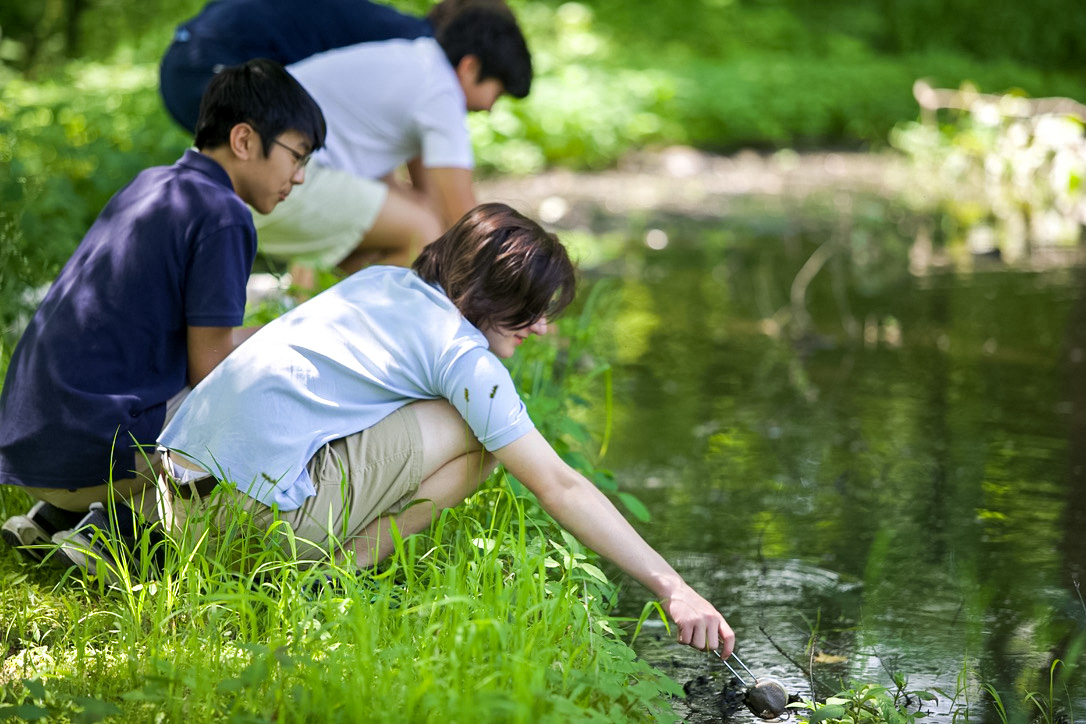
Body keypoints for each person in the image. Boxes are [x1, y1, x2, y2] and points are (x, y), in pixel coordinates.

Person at [154, 203, 735, 655]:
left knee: (465, 425)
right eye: (530, 309)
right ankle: (324, 578)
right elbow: (558, 484)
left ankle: (299, 568)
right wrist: (673, 589)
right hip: (249, 527)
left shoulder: (381, 284)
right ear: (492, 291)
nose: (539, 329)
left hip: (175, 509)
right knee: (485, 440)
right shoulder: (459, 352)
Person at [0, 59, 327, 569]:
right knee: (258, 394)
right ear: (244, 140)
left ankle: (52, 519)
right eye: (297, 155)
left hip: (32, 443)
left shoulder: (151, 185)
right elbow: (211, 370)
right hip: (92, 458)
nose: (300, 177)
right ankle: (118, 534)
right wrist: (286, 336)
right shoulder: (224, 214)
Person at [252, 6, 533, 278]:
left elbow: (432, 199)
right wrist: (511, 291)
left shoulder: (414, 61)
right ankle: (328, 308)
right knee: (423, 232)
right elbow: (463, 215)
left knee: (414, 222)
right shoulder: (440, 92)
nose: (490, 108)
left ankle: (309, 291)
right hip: (277, 181)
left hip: (254, 175)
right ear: (470, 67)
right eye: (497, 93)